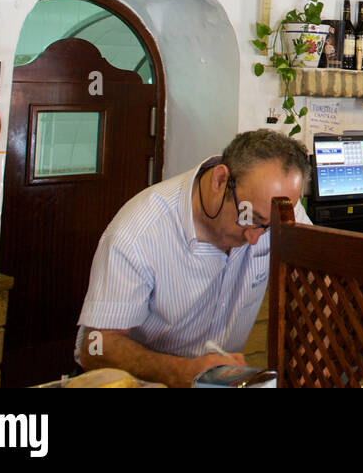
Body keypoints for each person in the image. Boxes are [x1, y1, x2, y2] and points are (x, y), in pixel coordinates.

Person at [75, 129, 312, 387]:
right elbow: (94, 347)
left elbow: (319, 278)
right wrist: (181, 371)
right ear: (220, 180)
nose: (255, 238)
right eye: (250, 218)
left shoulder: (274, 209)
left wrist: (311, 356)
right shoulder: (139, 232)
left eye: (267, 227)